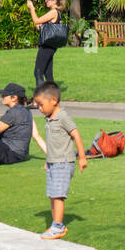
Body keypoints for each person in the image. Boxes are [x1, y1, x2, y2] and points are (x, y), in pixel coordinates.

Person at [35, 81, 87, 240]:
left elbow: (76, 134)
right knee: (52, 193)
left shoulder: (63, 117)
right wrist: (48, 160)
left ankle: (58, 226)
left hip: (63, 163)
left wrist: (82, 157)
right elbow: (52, 143)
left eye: (40, 104)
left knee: (58, 195)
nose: (39, 108)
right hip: (53, 162)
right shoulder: (49, 119)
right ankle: (55, 224)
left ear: (54, 101)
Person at [27, 0, 66, 88]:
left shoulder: (53, 12)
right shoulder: (56, 12)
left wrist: (32, 8)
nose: (46, 1)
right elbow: (40, 27)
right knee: (48, 74)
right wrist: (31, 10)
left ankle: (39, 98)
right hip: (50, 46)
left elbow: (36, 21)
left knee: (38, 72)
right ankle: (53, 96)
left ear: (55, 1)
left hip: (46, 47)